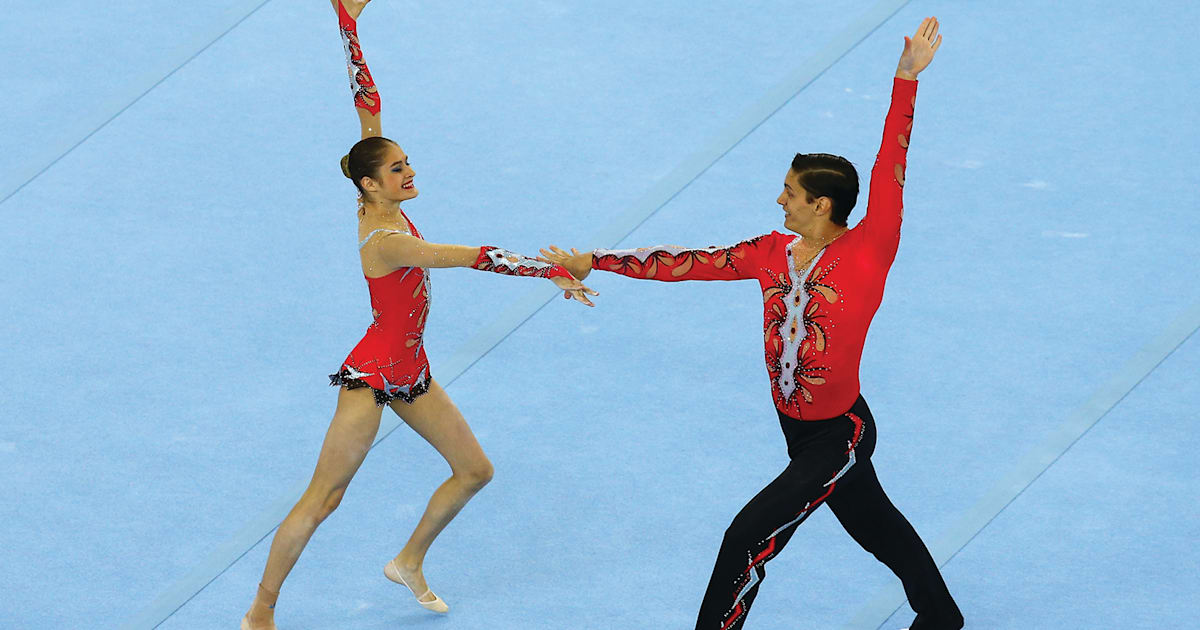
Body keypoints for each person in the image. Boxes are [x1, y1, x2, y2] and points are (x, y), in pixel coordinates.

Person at [541, 17, 962, 630]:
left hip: (838, 433)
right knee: (877, 527)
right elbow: (685, 264)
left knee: (746, 539)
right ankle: (943, 617)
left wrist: (905, 80)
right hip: (796, 430)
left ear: (822, 204)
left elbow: (891, 162)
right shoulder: (771, 252)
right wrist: (597, 261)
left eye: (789, 192)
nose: (778, 200)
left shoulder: (871, 248)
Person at [240, 2, 597, 628]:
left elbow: (367, 101)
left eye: (406, 162)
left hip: (410, 365)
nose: (409, 172)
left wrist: (349, 25)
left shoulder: (371, 186)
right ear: (371, 186)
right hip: (376, 371)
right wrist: (552, 272)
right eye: (397, 169)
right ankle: (261, 611)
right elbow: (466, 255)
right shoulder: (386, 241)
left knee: (474, 471)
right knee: (324, 498)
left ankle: (409, 560)